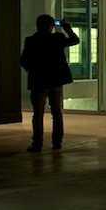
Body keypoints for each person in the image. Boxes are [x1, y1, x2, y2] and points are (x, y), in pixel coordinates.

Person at [20, 14, 80, 152]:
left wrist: (33, 70)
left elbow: (23, 60)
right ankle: (57, 142)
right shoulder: (57, 38)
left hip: (38, 81)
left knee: (38, 114)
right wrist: (65, 26)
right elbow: (75, 40)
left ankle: (37, 144)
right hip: (55, 81)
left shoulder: (31, 40)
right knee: (57, 112)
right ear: (51, 26)